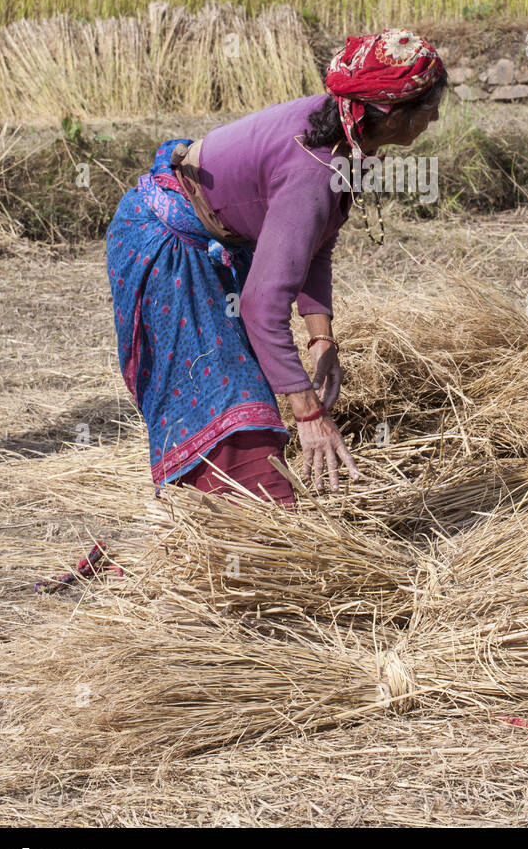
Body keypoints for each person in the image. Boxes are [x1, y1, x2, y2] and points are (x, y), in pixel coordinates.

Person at [106, 30, 447, 505]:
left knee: (252, 381)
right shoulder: (316, 166)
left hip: (216, 239)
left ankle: (240, 508)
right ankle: (242, 526)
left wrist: (321, 337)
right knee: (229, 397)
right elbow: (262, 307)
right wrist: (309, 416)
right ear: (389, 113)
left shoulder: (344, 135)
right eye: (428, 107)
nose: (435, 118)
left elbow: (315, 243)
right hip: (171, 249)